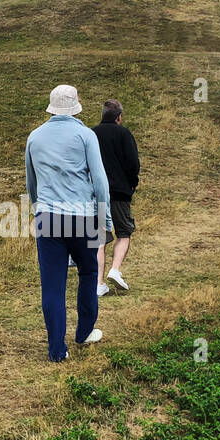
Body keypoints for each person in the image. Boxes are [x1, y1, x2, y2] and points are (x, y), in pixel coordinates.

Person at [25, 84, 113, 361]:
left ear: (51, 106)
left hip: (48, 217)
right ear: (76, 106)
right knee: (88, 272)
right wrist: (106, 218)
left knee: (52, 285)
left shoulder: (35, 137)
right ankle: (84, 332)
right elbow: (100, 181)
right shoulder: (85, 134)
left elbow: (31, 182)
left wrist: (38, 209)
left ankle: (56, 350)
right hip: (83, 216)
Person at [92, 98, 140, 295]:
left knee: (99, 239)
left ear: (102, 115)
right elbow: (133, 163)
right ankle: (115, 269)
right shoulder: (124, 133)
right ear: (119, 117)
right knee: (124, 232)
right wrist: (131, 184)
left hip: (96, 193)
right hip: (119, 192)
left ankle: (98, 284)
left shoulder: (91, 134)